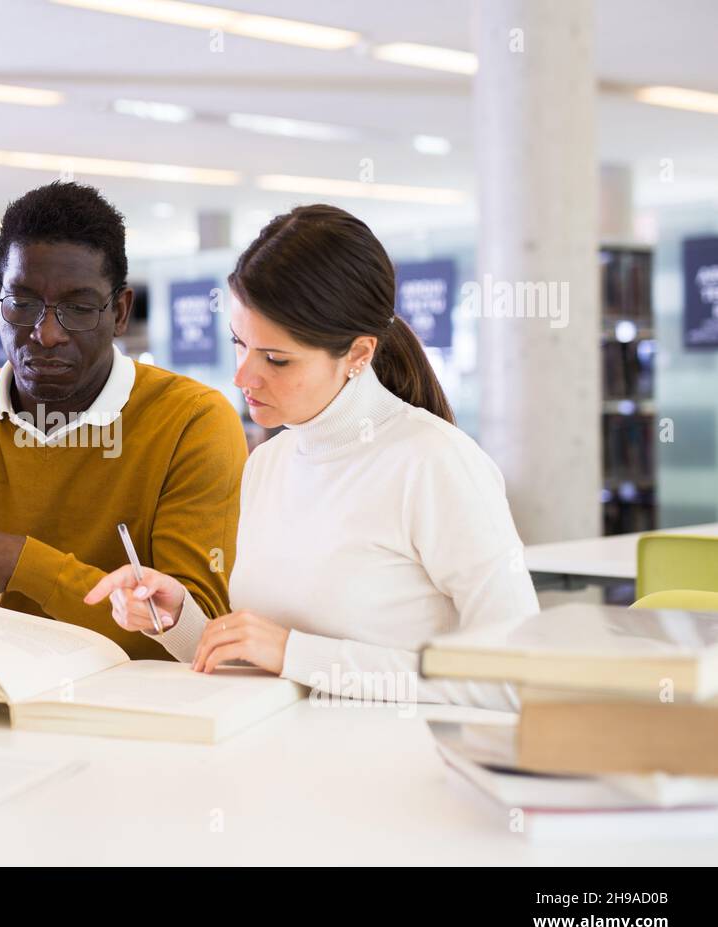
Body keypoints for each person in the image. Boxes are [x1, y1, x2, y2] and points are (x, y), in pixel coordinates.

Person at [86, 204, 539, 710]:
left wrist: (296, 652)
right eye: (240, 344)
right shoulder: (268, 463)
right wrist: (180, 622)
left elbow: (510, 678)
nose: (243, 378)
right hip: (280, 760)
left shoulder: (435, 463)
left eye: (276, 359)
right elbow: (269, 664)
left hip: (395, 774)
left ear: (359, 354)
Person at [0, 181, 246, 669]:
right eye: (23, 303)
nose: (46, 333)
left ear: (119, 312)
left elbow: (193, 627)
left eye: (77, 308)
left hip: (140, 713)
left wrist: (25, 565)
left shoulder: (192, 420)